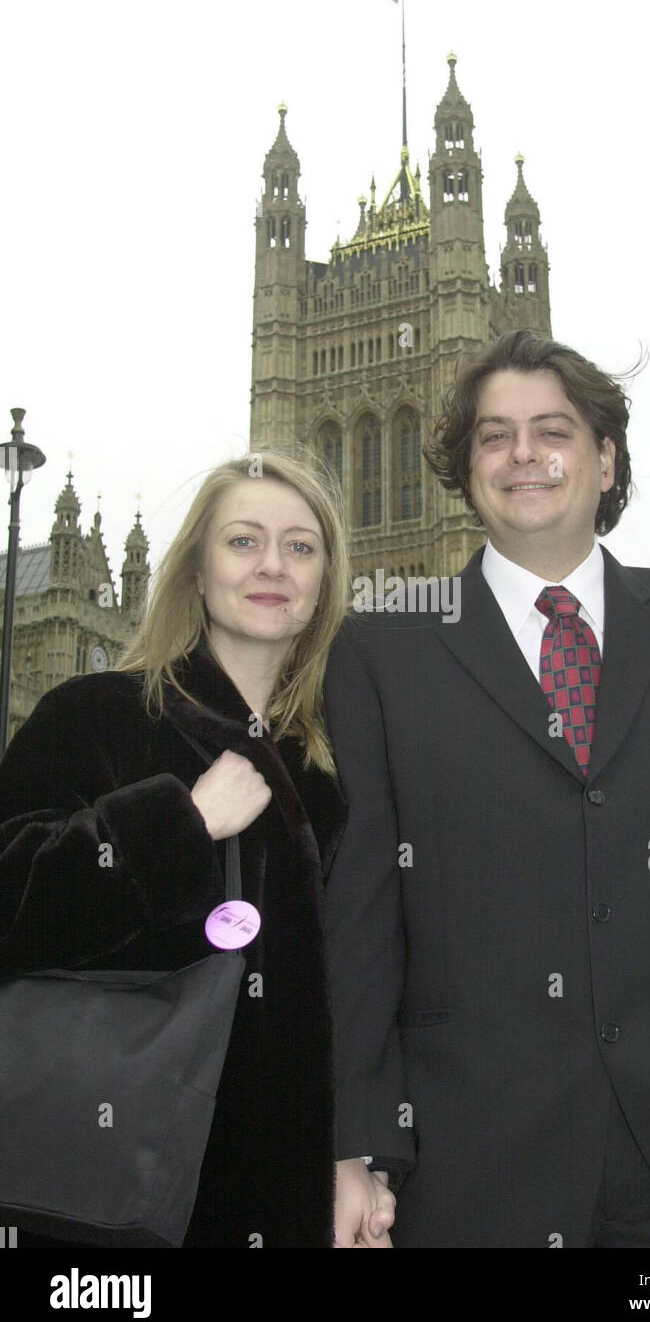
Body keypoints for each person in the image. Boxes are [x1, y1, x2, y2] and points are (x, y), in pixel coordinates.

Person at [326, 329, 650, 1249]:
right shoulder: (380, 651)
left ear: (605, 459)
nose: (524, 456)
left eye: (552, 431)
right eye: (493, 436)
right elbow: (362, 923)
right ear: (465, 468)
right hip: (473, 1178)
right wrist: (359, 1143)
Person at [0, 448, 395, 1248]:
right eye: (243, 542)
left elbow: (371, 979)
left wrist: (357, 1151)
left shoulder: (339, 763)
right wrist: (179, 824)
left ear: (326, 578)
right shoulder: (97, 714)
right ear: (196, 568)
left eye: (300, 546)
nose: (272, 566)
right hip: (122, 1194)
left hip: (295, 1190)